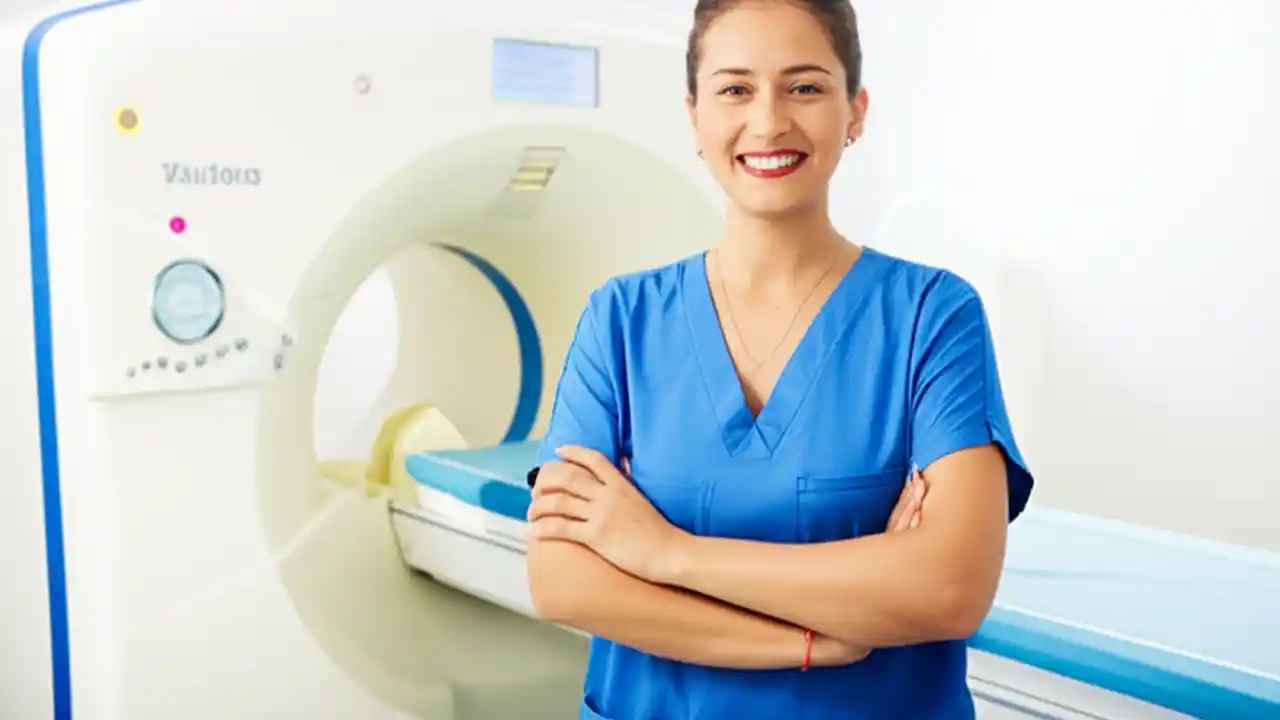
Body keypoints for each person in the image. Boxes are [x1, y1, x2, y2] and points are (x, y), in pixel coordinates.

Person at [524, 0, 1035, 717]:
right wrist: (812, 642)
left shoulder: (931, 315)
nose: (768, 122)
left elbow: (949, 590)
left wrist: (666, 554)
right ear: (695, 114)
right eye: (735, 89)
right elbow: (563, 583)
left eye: (805, 87)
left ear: (855, 111)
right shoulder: (621, 320)